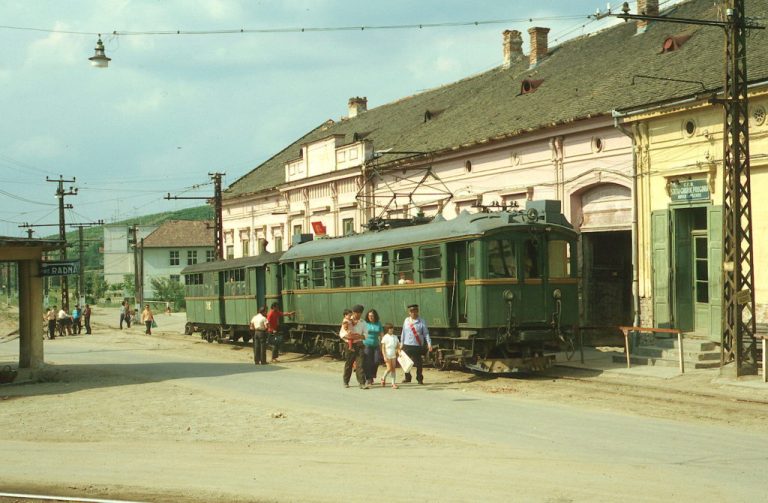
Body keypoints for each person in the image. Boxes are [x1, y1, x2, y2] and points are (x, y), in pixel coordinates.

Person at [400, 304, 432, 384]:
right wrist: (401, 343)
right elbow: (403, 332)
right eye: (411, 311)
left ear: (417, 312)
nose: (413, 313)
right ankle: (407, 377)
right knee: (405, 362)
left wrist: (429, 343)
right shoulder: (406, 320)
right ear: (409, 313)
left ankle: (419, 379)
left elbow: (426, 333)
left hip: (417, 345)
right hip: (407, 344)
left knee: (419, 364)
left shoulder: (421, 321)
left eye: (415, 311)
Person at [341, 305, 367, 389]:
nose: (357, 316)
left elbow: (366, 335)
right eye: (356, 314)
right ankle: (346, 381)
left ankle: (362, 383)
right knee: (349, 363)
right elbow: (341, 334)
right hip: (349, 344)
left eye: (359, 314)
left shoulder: (363, 322)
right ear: (353, 313)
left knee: (360, 364)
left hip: (359, 344)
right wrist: (349, 337)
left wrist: (359, 337)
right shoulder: (347, 320)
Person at [363, 309, 383, 386]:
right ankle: (368, 378)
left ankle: (372, 375)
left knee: (376, 361)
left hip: (376, 344)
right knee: (368, 362)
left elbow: (381, 334)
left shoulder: (378, 323)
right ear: (368, 316)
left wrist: (383, 343)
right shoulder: (365, 323)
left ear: (375, 316)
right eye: (369, 316)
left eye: (372, 315)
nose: (371, 317)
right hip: (366, 344)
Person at [380, 323, 400, 389]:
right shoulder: (385, 337)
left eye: (392, 328)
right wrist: (384, 356)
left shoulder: (395, 337)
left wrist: (398, 352)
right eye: (389, 328)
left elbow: (397, 346)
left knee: (393, 369)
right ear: (387, 330)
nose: (391, 330)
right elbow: (383, 348)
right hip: (387, 354)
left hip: (393, 355)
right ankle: (383, 378)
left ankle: (393, 383)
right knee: (389, 368)